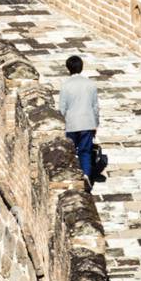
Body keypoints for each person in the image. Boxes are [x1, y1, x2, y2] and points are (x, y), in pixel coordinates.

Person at [57, 54, 99, 187]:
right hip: (87, 123)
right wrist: (95, 123)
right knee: (85, 151)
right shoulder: (91, 84)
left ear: (68, 68)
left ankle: (72, 178)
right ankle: (86, 174)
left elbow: (62, 108)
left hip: (71, 124)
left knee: (70, 151)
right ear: (81, 67)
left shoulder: (65, 86)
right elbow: (95, 107)